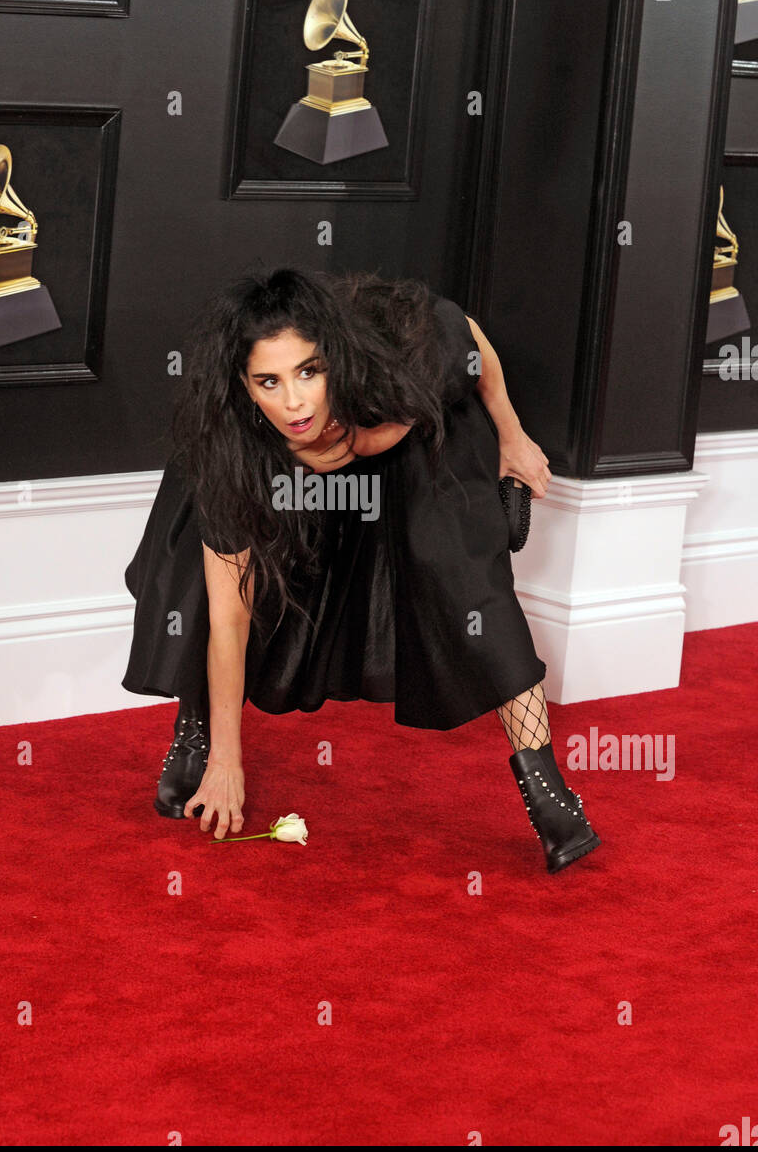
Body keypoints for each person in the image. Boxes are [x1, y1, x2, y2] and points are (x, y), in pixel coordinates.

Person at [121, 266, 600, 873]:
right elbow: (230, 615)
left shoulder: (389, 347)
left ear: (335, 361)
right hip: (277, 474)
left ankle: (548, 791)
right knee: (190, 574)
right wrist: (228, 763)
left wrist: (507, 433)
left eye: (309, 372)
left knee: (464, 578)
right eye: (268, 381)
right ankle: (198, 730)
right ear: (242, 386)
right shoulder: (231, 445)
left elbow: (469, 338)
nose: (294, 402)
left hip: (405, 440)